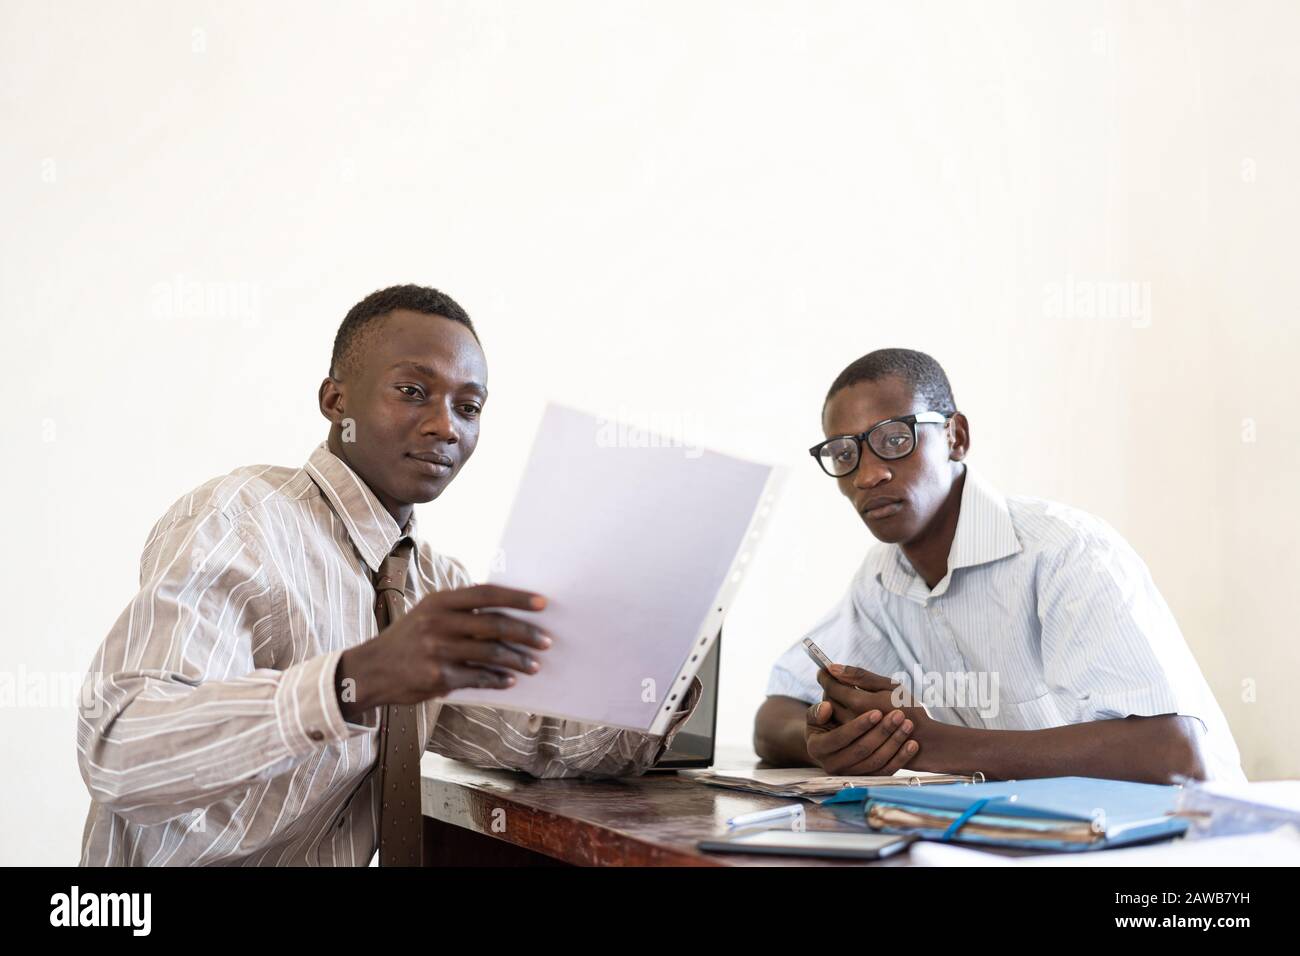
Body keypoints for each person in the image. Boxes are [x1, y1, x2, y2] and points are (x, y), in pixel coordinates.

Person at [78, 284, 698, 866]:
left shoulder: (433, 587)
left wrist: (672, 653)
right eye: (412, 391)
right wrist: (358, 678)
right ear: (334, 399)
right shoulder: (239, 519)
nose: (446, 425)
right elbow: (121, 750)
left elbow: (540, 742)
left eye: (469, 406)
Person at [754, 348, 1243, 784]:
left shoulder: (1064, 552)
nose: (868, 473)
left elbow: (1173, 752)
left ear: (956, 437)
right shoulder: (882, 580)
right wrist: (838, 742)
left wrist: (925, 743)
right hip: (1020, 842)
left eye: (894, 438)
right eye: (844, 453)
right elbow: (774, 715)